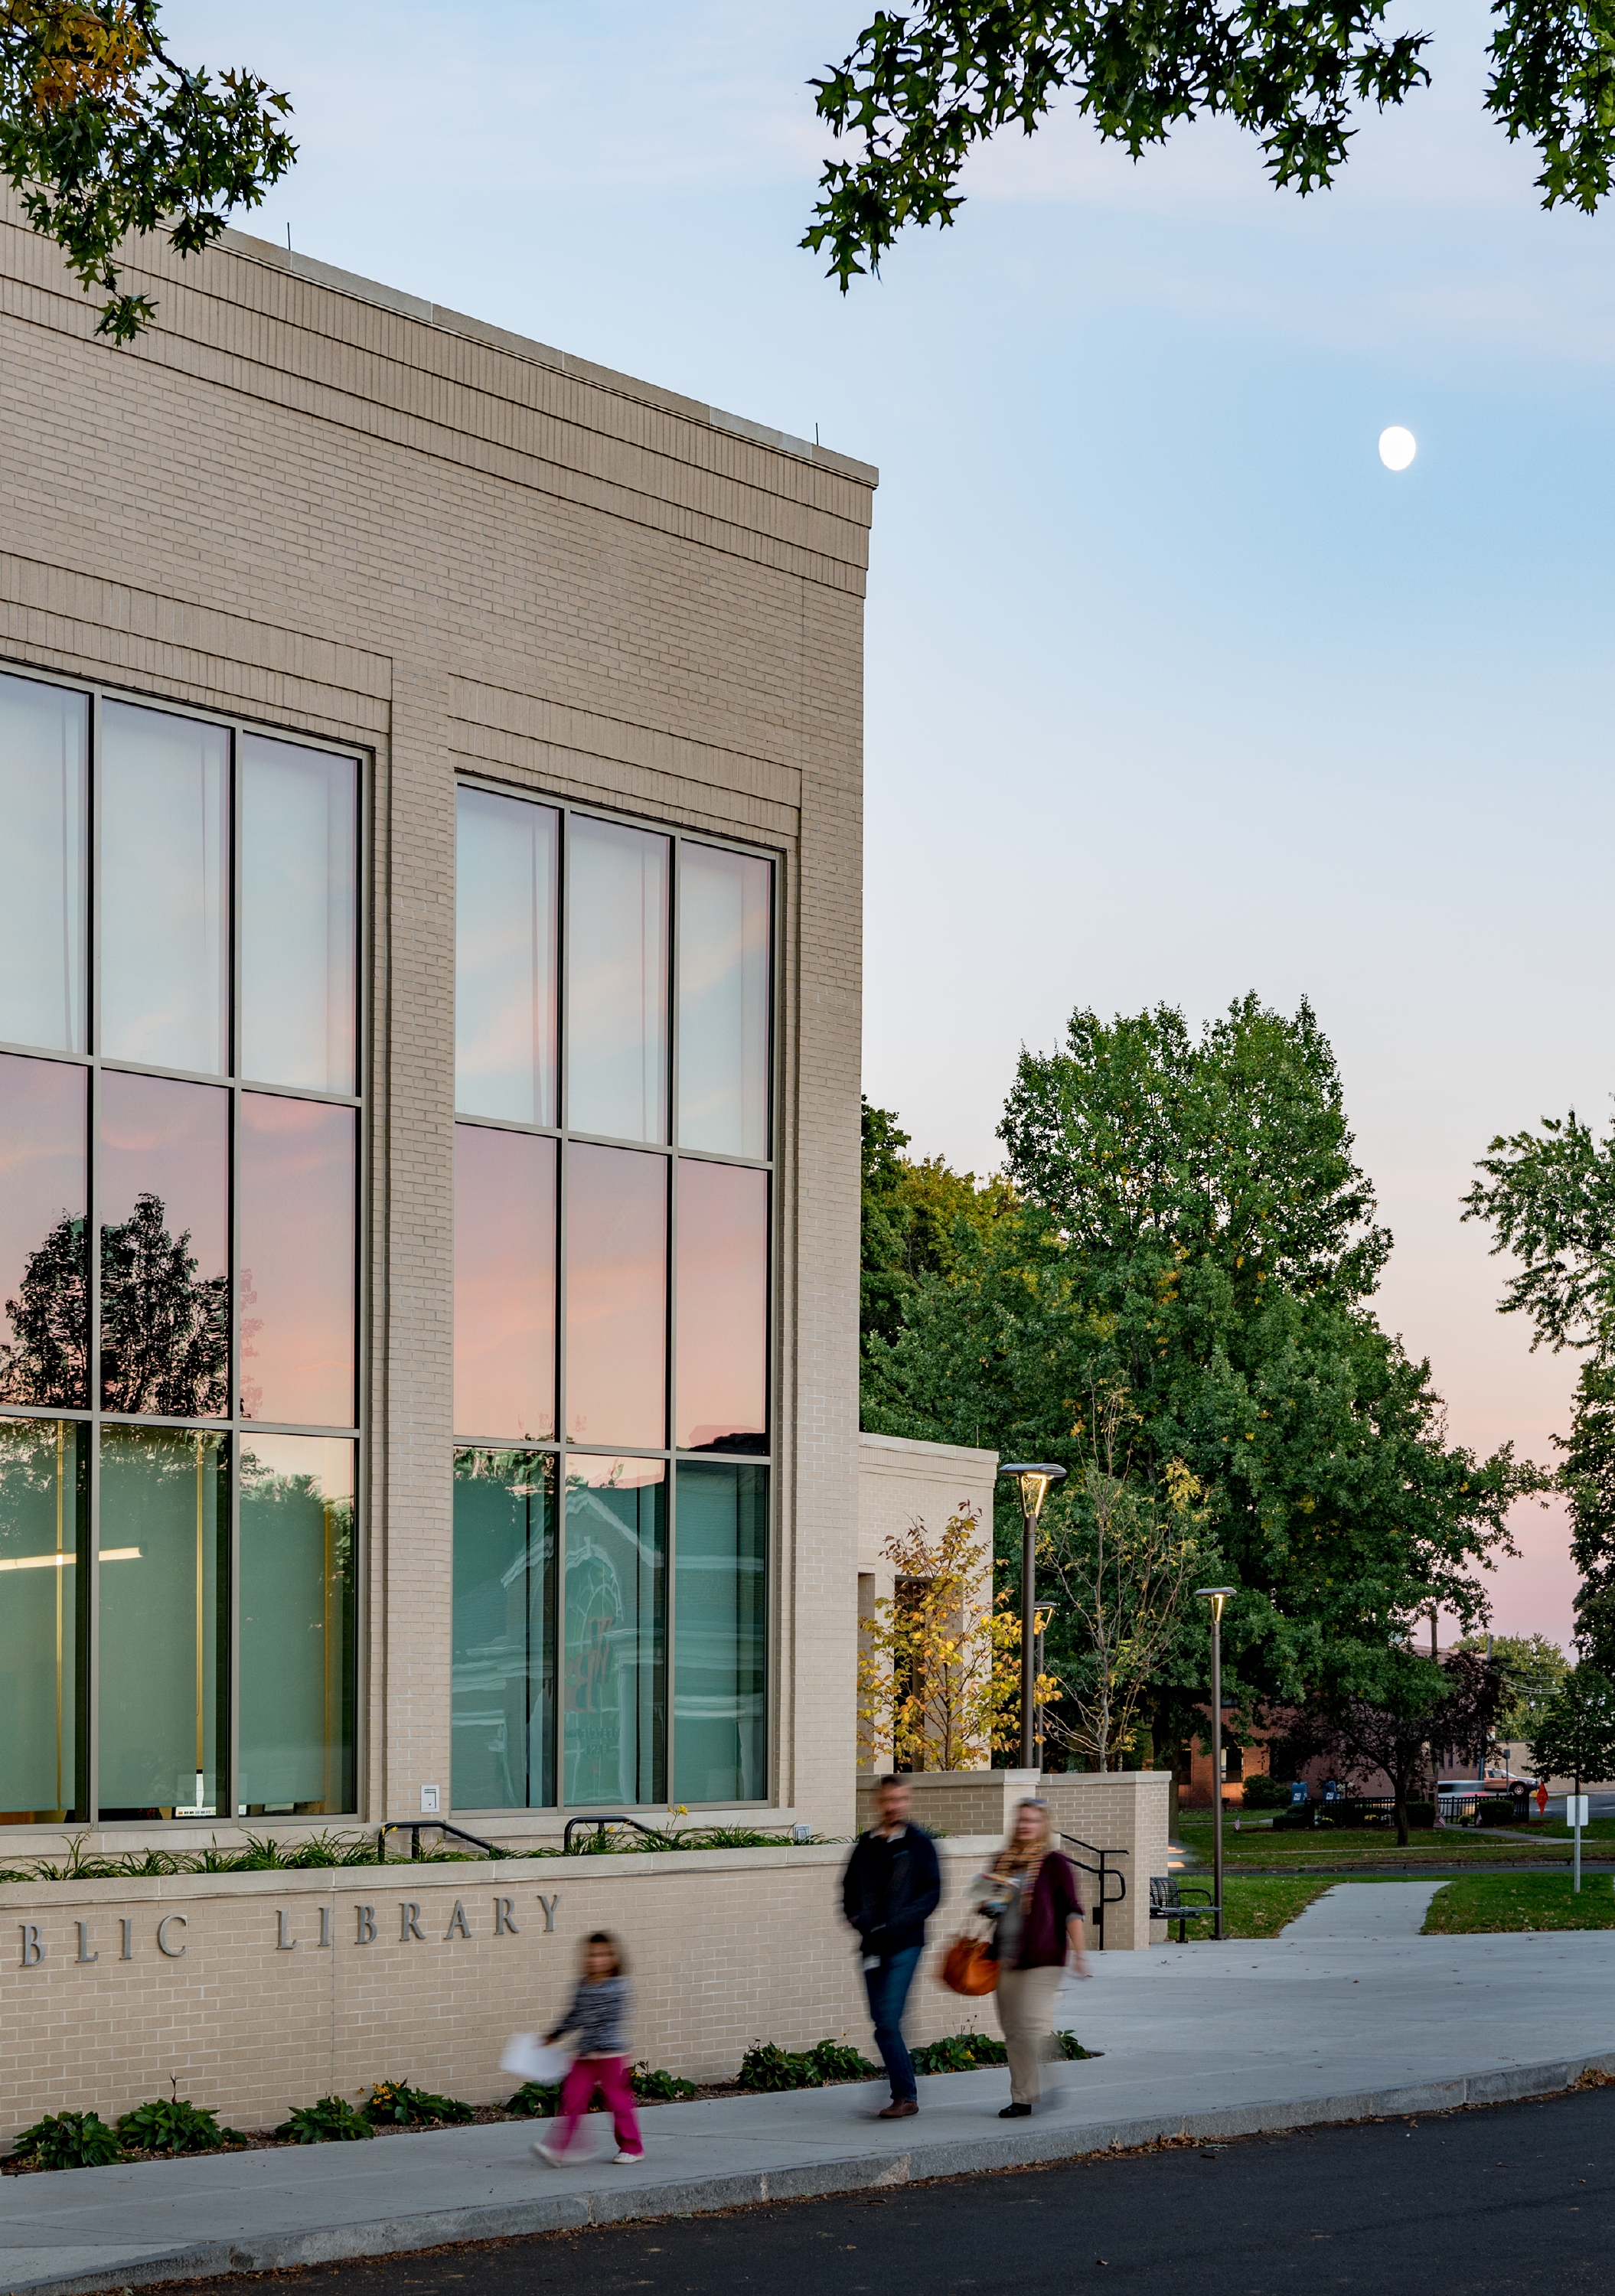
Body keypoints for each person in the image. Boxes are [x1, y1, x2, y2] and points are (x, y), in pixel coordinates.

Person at [970, 1798, 1088, 2118]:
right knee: (1012, 2031)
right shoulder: (1003, 1861)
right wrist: (985, 1901)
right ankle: (1023, 2098)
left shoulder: (1054, 1863)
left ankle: (1046, 2081)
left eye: (1033, 1820)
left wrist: (1080, 1953)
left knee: (1028, 2027)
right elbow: (987, 1909)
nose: (1025, 1826)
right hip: (1006, 1957)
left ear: (1043, 1825)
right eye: (1022, 1820)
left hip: (1043, 1957)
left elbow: (1072, 1909)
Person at [841, 1773, 941, 2119]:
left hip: (905, 1945)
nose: (894, 1805)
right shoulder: (865, 1845)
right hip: (871, 1947)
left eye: (900, 1799)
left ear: (907, 1801)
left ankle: (906, 2096)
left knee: (887, 2017)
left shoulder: (920, 1845)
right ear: (879, 1802)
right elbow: (848, 1893)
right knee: (882, 2020)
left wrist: (895, 1925)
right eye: (888, 1799)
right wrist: (862, 1922)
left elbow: (931, 1895)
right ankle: (903, 2088)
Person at [531, 1929, 644, 2166]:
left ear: (613, 1958)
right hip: (585, 2056)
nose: (596, 1960)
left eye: (603, 1955)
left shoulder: (617, 1987)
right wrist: (552, 2036)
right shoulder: (582, 1986)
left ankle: (632, 2147)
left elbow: (600, 2018)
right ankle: (559, 2148)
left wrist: (588, 1996)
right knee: (571, 2098)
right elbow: (573, 2016)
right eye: (591, 1955)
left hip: (610, 2055)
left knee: (617, 2102)